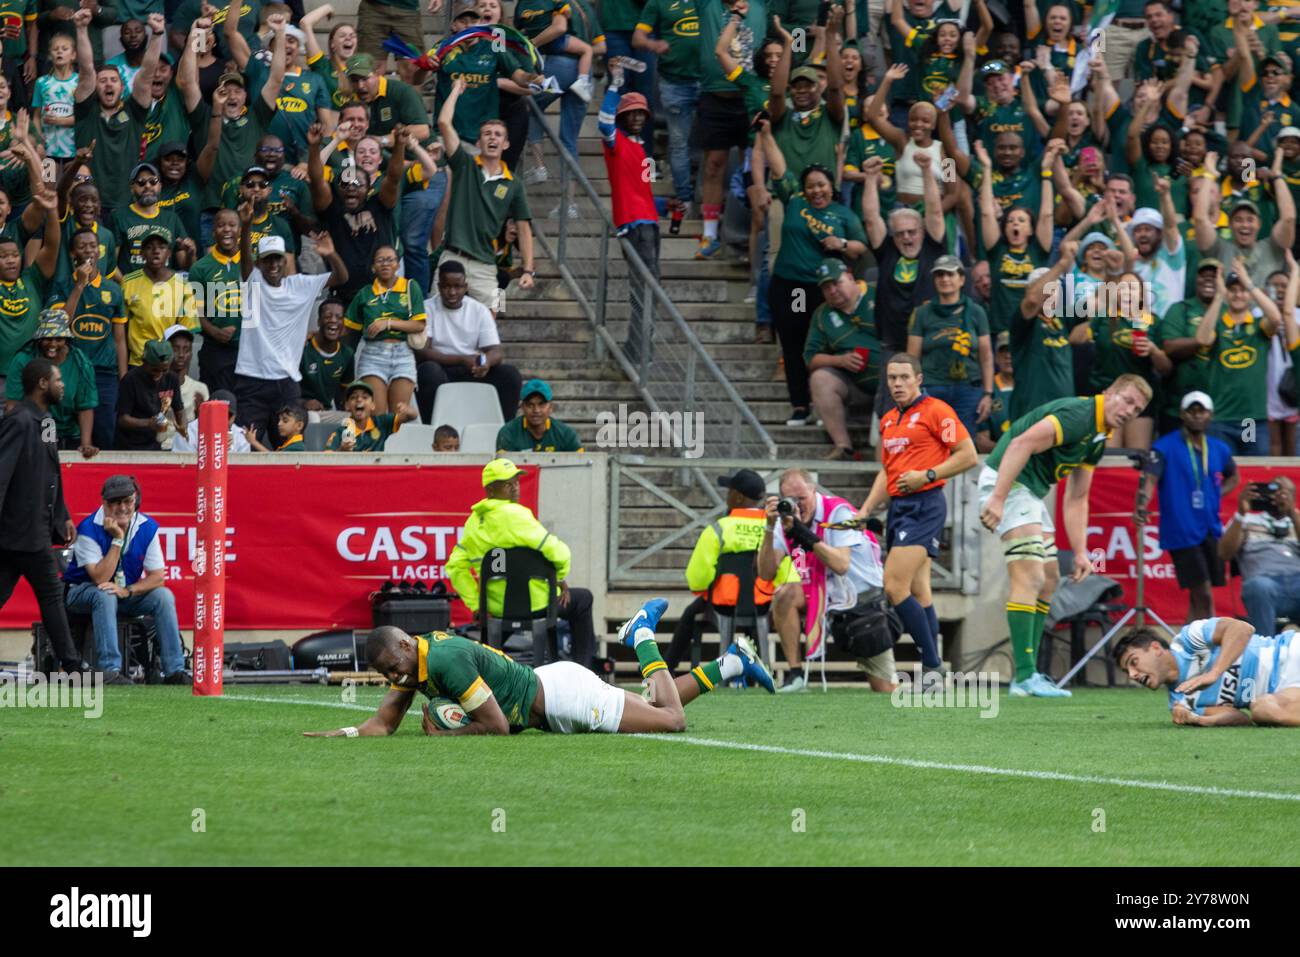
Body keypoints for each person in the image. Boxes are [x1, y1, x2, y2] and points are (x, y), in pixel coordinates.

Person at [302, 598, 774, 737]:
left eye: (394, 667)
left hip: (564, 700)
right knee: (654, 704)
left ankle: (641, 635)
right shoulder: (417, 660)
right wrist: (339, 735)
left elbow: (497, 727)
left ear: (406, 643)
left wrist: (448, 734)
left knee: (671, 720)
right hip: (553, 686)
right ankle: (732, 664)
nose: (395, 679)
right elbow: (384, 723)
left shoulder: (443, 658)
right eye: (387, 675)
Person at [978, 374, 1154, 697]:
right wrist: (998, 497)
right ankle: (1026, 675)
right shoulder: (1081, 415)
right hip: (1010, 483)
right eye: (1127, 400)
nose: (1131, 410)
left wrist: (1081, 551)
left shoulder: (1100, 436)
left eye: (1138, 408)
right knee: (1029, 578)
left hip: (1029, 492)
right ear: (1108, 392)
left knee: (1048, 579)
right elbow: (1021, 443)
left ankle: (1026, 677)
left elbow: (1077, 497)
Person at [857, 352, 976, 682]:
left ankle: (933, 665)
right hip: (899, 507)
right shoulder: (888, 419)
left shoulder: (937, 411)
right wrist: (866, 509)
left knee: (894, 585)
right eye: (892, 378)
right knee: (920, 590)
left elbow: (968, 455)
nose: (897, 383)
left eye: (904, 377)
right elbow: (888, 471)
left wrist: (928, 474)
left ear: (918, 379)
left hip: (925, 503)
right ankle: (933, 670)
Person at [757, 120, 868, 428]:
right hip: (793, 288)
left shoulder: (843, 214)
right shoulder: (794, 201)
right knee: (794, 343)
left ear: (831, 186)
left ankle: (824, 407)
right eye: (811, 185)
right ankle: (800, 406)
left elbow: (861, 246)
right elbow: (779, 168)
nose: (816, 190)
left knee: (824, 345)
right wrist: (766, 134)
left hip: (825, 290)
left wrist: (840, 243)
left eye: (822, 184)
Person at [444, 458, 601, 670]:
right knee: (583, 599)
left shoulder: (473, 522)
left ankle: (488, 666)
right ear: (491, 490)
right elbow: (560, 553)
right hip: (537, 604)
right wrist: (560, 577)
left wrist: (476, 605)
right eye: (508, 483)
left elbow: (455, 567)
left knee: (494, 629)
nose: (515, 486)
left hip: (496, 608)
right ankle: (584, 671)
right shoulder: (517, 514)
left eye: (516, 481)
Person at [758, 467, 894, 694]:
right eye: (791, 499)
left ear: (814, 491)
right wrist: (770, 528)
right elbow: (765, 573)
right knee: (784, 594)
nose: (798, 505)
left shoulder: (838, 512)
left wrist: (801, 532)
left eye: (802, 498)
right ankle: (795, 674)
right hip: (824, 595)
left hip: (861, 601)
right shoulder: (785, 520)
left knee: (884, 688)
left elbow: (841, 565)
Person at [0, 358, 87, 676]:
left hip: (28, 532)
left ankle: (72, 664)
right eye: (58, 379)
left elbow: (52, 474)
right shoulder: (19, 420)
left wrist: (62, 516)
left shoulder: (45, 420)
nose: (63, 384)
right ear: (41, 384)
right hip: (22, 532)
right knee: (52, 595)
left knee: (43, 596)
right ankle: (73, 666)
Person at [63, 474, 190, 686]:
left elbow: (158, 577)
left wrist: (129, 590)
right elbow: (99, 577)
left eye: (127, 501)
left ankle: (174, 670)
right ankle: (110, 670)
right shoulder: (88, 527)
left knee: (163, 596)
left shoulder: (147, 527)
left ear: (135, 500)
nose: (122, 508)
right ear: (104, 503)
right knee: (105, 593)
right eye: (115, 502)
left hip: (122, 594)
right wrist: (117, 539)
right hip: (81, 593)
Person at [234, 216, 349, 446]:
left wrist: (330, 255)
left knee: (290, 447)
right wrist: (246, 225)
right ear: (259, 263)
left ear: (286, 260)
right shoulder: (253, 282)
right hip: (251, 381)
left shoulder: (300, 285)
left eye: (278, 258)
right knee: (245, 446)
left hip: (286, 383)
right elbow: (245, 257)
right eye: (267, 260)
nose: (274, 264)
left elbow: (342, 277)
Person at [666, 468, 795, 673]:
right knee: (757, 612)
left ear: (738, 497)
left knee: (691, 613)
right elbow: (787, 573)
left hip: (723, 604)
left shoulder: (718, 528)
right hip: (763, 605)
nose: (727, 496)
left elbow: (698, 577)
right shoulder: (775, 528)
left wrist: (704, 589)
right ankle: (756, 675)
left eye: (729, 492)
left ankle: (666, 668)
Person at [436, 77, 537, 315]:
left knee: (492, 319)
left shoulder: (514, 184)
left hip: (486, 265)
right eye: (487, 134)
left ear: (506, 144)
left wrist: (528, 269)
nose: (492, 138)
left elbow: (523, 227)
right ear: (479, 142)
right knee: (437, 322)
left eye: (498, 135)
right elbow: (443, 122)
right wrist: (456, 91)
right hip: (453, 257)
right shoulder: (465, 164)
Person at [1136, 392, 1239, 623]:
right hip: (1181, 530)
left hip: (1211, 529)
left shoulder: (1219, 448)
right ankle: (1207, 647)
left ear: (1210, 415)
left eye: (1201, 411)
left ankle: (1188, 648)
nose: (1196, 415)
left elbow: (1234, 476)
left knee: (1199, 594)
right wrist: (1141, 505)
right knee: (1202, 593)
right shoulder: (1163, 447)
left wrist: (1215, 494)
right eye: (1191, 411)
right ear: (1182, 414)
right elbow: (1150, 480)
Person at [1115, 619, 1300, 727]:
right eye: (1127, 671)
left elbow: (1243, 629)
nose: (1132, 675)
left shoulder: (1189, 640)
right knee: (1261, 710)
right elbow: (1241, 718)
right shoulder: (1180, 702)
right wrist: (1200, 719)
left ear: (1155, 648)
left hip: (1289, 652)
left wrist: (1215, 672)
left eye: (1133, 662)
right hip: (1283, 691)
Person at [598, 60, 659, 364]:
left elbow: (646, 193)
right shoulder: (615, 143)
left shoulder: (645, 151)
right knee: (643, 290)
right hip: (633, 226)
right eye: (631, 113)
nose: (636, 117)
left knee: (647, 290)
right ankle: (640, 350)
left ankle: (639, 346)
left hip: (649, 224)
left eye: (640, 113)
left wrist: (669, 208)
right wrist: (614, 84)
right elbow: (603, 122)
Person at [415, 259, 522, 425]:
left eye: (457, 287)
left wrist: (485, 362)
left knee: (510, 375)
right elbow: (423, 351)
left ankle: (505, 433)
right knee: (428, 371)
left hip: (471, 369)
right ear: (438, 286)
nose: (452, 292)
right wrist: (461, 359)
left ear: (465, 287)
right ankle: (431, 429)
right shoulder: (426, 308)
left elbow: (496, 351)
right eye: (446, 286)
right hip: (441, 369)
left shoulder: (478, 310)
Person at [1195, 262, 1280, 455]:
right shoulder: (1217, 324)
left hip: (1251, 420)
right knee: (1222, 474)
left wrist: (1250, 284)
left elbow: (1276, 319)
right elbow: (1201, 339)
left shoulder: (1259, 326)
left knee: (1253, 474)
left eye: (1243, 290)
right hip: (1221, 419)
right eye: (1233, 290)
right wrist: (1218, 296)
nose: (1238, 294)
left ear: (1250, 295)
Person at [906, 256, 994, 440]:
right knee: (931, 444)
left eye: (950, 274)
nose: (944, 279)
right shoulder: (922, 313)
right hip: (932, 388)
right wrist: (913, 392)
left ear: (961, 279)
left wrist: (987, 394)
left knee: (963, 444)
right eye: (939, 274)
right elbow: (912, 358)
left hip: (968, 389)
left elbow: (986, 357)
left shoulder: (977, 312)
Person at [805, 258, 882, 460]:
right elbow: (810, 358)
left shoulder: (879, 295)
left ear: (850, 277)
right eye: (826, 287)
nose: (832, 291)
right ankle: (843, 447)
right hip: (854, 386)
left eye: (836, 283)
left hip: (891, 381)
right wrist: (839, 361)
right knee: (820, 378)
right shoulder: (822, 314)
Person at [344, 244, 426, 416]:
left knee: (399, 416)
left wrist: (387, 323)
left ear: (397, 264)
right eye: (380, 260)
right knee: (377, 416)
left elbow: (419, 325)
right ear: (373, 267)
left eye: (390, 260)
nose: (385, 264)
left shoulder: (411, 287)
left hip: (403, 353)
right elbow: (348, 329)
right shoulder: (364, 293)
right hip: (373, 354)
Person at [1219, 473, 1300, 634]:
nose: (1278, 496)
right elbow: (1223, 554)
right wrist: (1241, 513)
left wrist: (1292, 513)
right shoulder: (1247, 520)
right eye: (1274, 490)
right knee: (1259, 586)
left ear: (1293, 497)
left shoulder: (1297, 519)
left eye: (1285, 492)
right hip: (1264, 583)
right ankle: (1265, 651)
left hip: (1296, 582)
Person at [121, 230, 199, 368]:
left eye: (162, 247)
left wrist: (182, 378)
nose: (156, 251)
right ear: (142, 253)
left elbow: (186, 338)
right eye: (150, 247)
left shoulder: (183, 286)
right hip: (138, 364)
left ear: (169, 253)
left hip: (168, 366)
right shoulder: (128, 282)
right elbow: (121, 331)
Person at [116, 338, 184, 451]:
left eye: (164, 370)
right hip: (129, 445)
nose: (159, 374)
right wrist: (148, 423)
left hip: (155, 443)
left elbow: (179, 409)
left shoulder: (172, 379)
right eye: (155, 370)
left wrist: (182, 427)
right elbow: (123, 420)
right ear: (144, 361)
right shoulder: (130, 380)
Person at [324, 380, 418, 451]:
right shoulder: (340, 432)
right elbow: (326, 458)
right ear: (347, 406)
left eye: (365, 397)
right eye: (353, 397)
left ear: (373, 405)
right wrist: (341, 451)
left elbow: (410, 417)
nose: (359, 400)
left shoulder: (381, 422)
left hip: (377, 474)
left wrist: (410, 411)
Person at [300, 298, 355, 418]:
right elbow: (284, 392)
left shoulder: (347, 354)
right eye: (327, 316)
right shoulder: (303, 348)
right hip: (297, 411)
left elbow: (344, 393)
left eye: (339, 317)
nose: (333, 320)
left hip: (325, 413)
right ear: (319, 321)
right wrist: (304, 403)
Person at [495, 378, 584, 452]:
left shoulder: (566, 434)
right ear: (522, 407)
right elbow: (503, 469)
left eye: (541, 404)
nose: (536, 410)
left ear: (551, 407)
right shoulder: (508, 433)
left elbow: (580, 466)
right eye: (530, 405)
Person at [159, 326, 208, 453]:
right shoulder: (155, 385)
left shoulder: (200, 389)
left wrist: (201, 414)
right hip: (161, 449)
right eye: (176, 349)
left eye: (186, 350)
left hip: (189, 451)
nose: (181, 355)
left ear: (191, 353)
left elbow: (206, 430)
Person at [172, 390, 253, 454]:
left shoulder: (241, 436)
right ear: (207, 412)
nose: (222, 419)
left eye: (227, 415)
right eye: (217, 413)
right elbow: (183, 466)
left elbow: (241, 470)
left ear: (235, 416)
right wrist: (213, 448)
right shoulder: (188, 431)